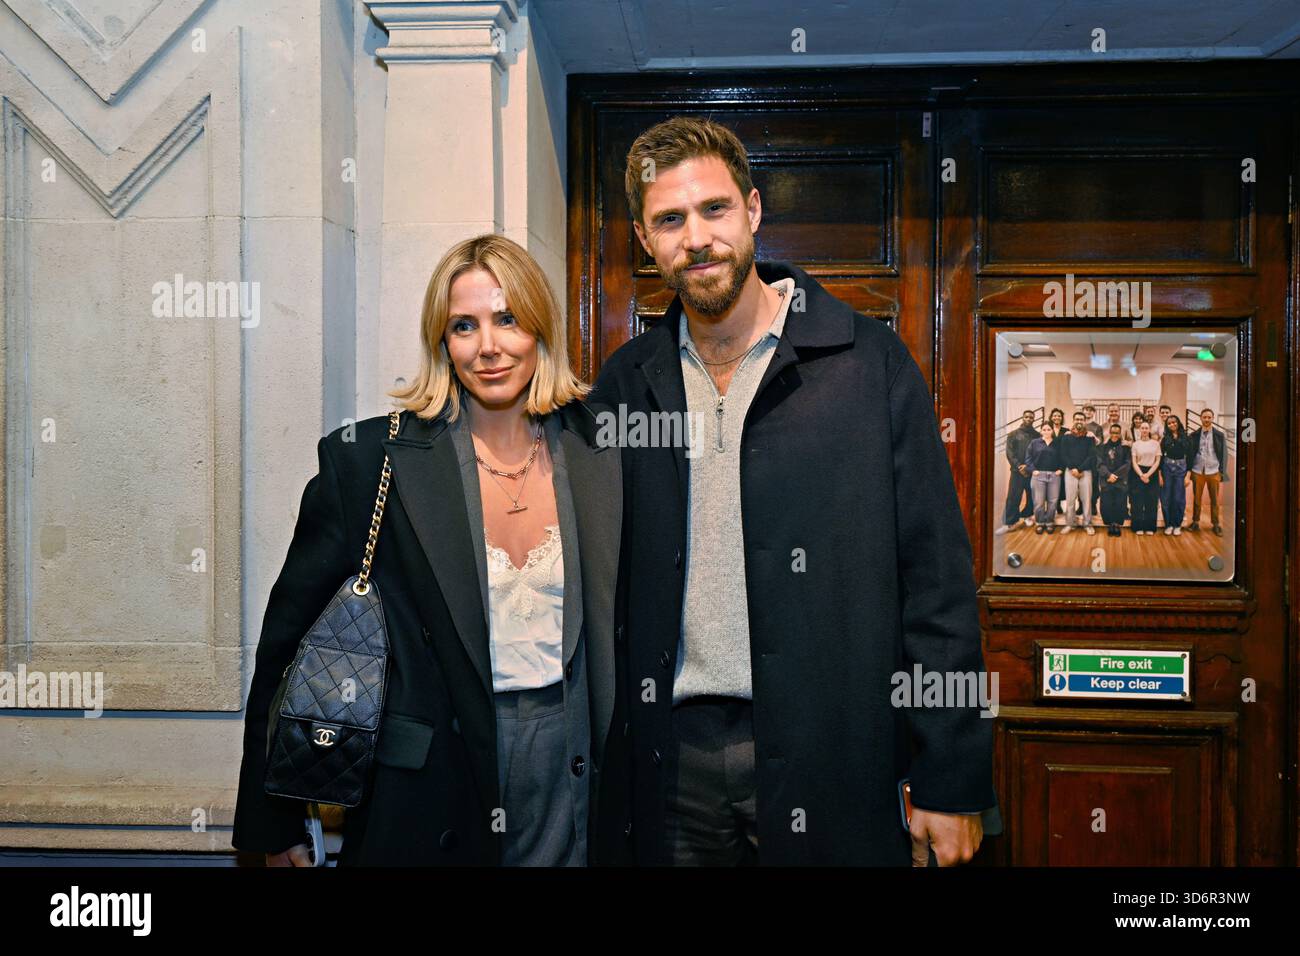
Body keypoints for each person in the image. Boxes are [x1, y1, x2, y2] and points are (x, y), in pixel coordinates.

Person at [590, 115, 995, 866]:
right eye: (669, 220)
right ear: (645, 242)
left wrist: (953, 777)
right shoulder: (625, 383)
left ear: (752, 210)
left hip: (834, 761)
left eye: (714, 210)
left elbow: (936, 587)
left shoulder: (867, 364)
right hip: (670, 770)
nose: (697, 238)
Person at [233, 235, 624, 866]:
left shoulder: (601, 451)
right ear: (442, 341)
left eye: (508, 319)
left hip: (575, 773)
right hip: (432, 784)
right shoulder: (367, 463)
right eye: (464, 325)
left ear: (542, 330)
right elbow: (285, 647)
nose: (488, 346)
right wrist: (269, 820)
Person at [1188, 408, 1228, 536]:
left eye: (1209, 417)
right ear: (1200, 418)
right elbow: (1190, 454)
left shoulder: (1219, 435)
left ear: (1212, 418)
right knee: (1197, 499)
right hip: (1197, 470)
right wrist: (1189, 470)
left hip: (1213, 471)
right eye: (1204, 417)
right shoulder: (1194, 435)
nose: (1206, 419)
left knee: (1214, 500)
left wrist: (1221, 471)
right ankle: (1195, 522)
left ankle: (1216, 524)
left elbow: (1224, 454)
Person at [999, 410, 1038, 534]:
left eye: (1031, 417)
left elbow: (1038, 454)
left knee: (1032, 497)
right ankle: (1009, 523)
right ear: (1023, 418)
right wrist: (1019, 466)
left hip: (1031, 471)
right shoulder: (1013, 434)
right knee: (1013, 497)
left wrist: (1029, 467)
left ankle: (1028, 516)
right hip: (1017, 472)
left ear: (1034, 419)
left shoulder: (1037, 436)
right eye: (1026, 417)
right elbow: (1010, 453)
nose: (1028, 419)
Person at [1057, 411, 1096, 535]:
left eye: (1081, 419)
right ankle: (1070, 523)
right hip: (1070, 471)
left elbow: (1091, 456)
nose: (1079, 421)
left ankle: (1087, 524)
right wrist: (1073, 468)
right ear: (1073, 421)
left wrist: (1080, 469)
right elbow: (1063, 454)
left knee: (1087, 499)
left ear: (1085, 421)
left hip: (1086, 471)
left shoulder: (1089, 438)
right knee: (1070, 499)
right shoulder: (1066, 437)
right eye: (1077, 419)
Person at [1024, 422, 1063, 534]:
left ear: (1052, 431)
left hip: (1054, 476)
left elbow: (1063, 457)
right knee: (1039, 502)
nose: (1046, 432)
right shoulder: (1034, 443)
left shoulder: (1057, 443)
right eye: (1044, 429)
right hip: (1038, 475)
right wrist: (1033, 470)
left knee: (1053, 501)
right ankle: (1040, 523)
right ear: (1041, 431)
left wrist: (1061, 469)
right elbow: (1028, 458)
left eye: (1049, 429)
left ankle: (1050, 522)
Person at [1097, 424, 1131, 537]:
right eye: (1113, 432)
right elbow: (1099, 462)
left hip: (1120, 480)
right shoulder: (1103, 447)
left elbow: (1128, 463)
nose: (1115, 435)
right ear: (1109, 433)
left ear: (1120, 433)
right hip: (1106, 479)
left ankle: (1117, 524)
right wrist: (1108, 475)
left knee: (1119, 503)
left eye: (1117, 433)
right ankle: (1110, 524)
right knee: (1107, 503)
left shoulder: (1126, 448)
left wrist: (1115, 475)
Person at [1128, 421, 1162, 535]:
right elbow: (1134, 461)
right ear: (1140, 430)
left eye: (1146, 428)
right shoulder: (1135, 444)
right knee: (1137, 501)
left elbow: (1157, 461)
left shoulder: (1155, 444)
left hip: (1152, 472)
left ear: (1149, 430)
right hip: (1138, 473)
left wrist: (1148, 474)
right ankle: (1137, 527)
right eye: (1142, 428)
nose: (1144, 430)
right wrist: (1142, 475)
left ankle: (1149, 527)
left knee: (1151, 501)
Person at [1159, 414, 1191, 536]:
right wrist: (1160, 475)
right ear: (1167, 426)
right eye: (1169, 423)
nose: (1172, 424)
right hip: (1166, 468)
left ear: (1178, 423)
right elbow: (1160, 458)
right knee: (1166, 498)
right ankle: (1169, 524)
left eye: (1174, 422)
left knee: (1178, 498)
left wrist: (1188, 476)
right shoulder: (1165, 439)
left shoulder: (1186, 438)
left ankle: (1177, 525)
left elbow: (1191, 457)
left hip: (1181, 469)